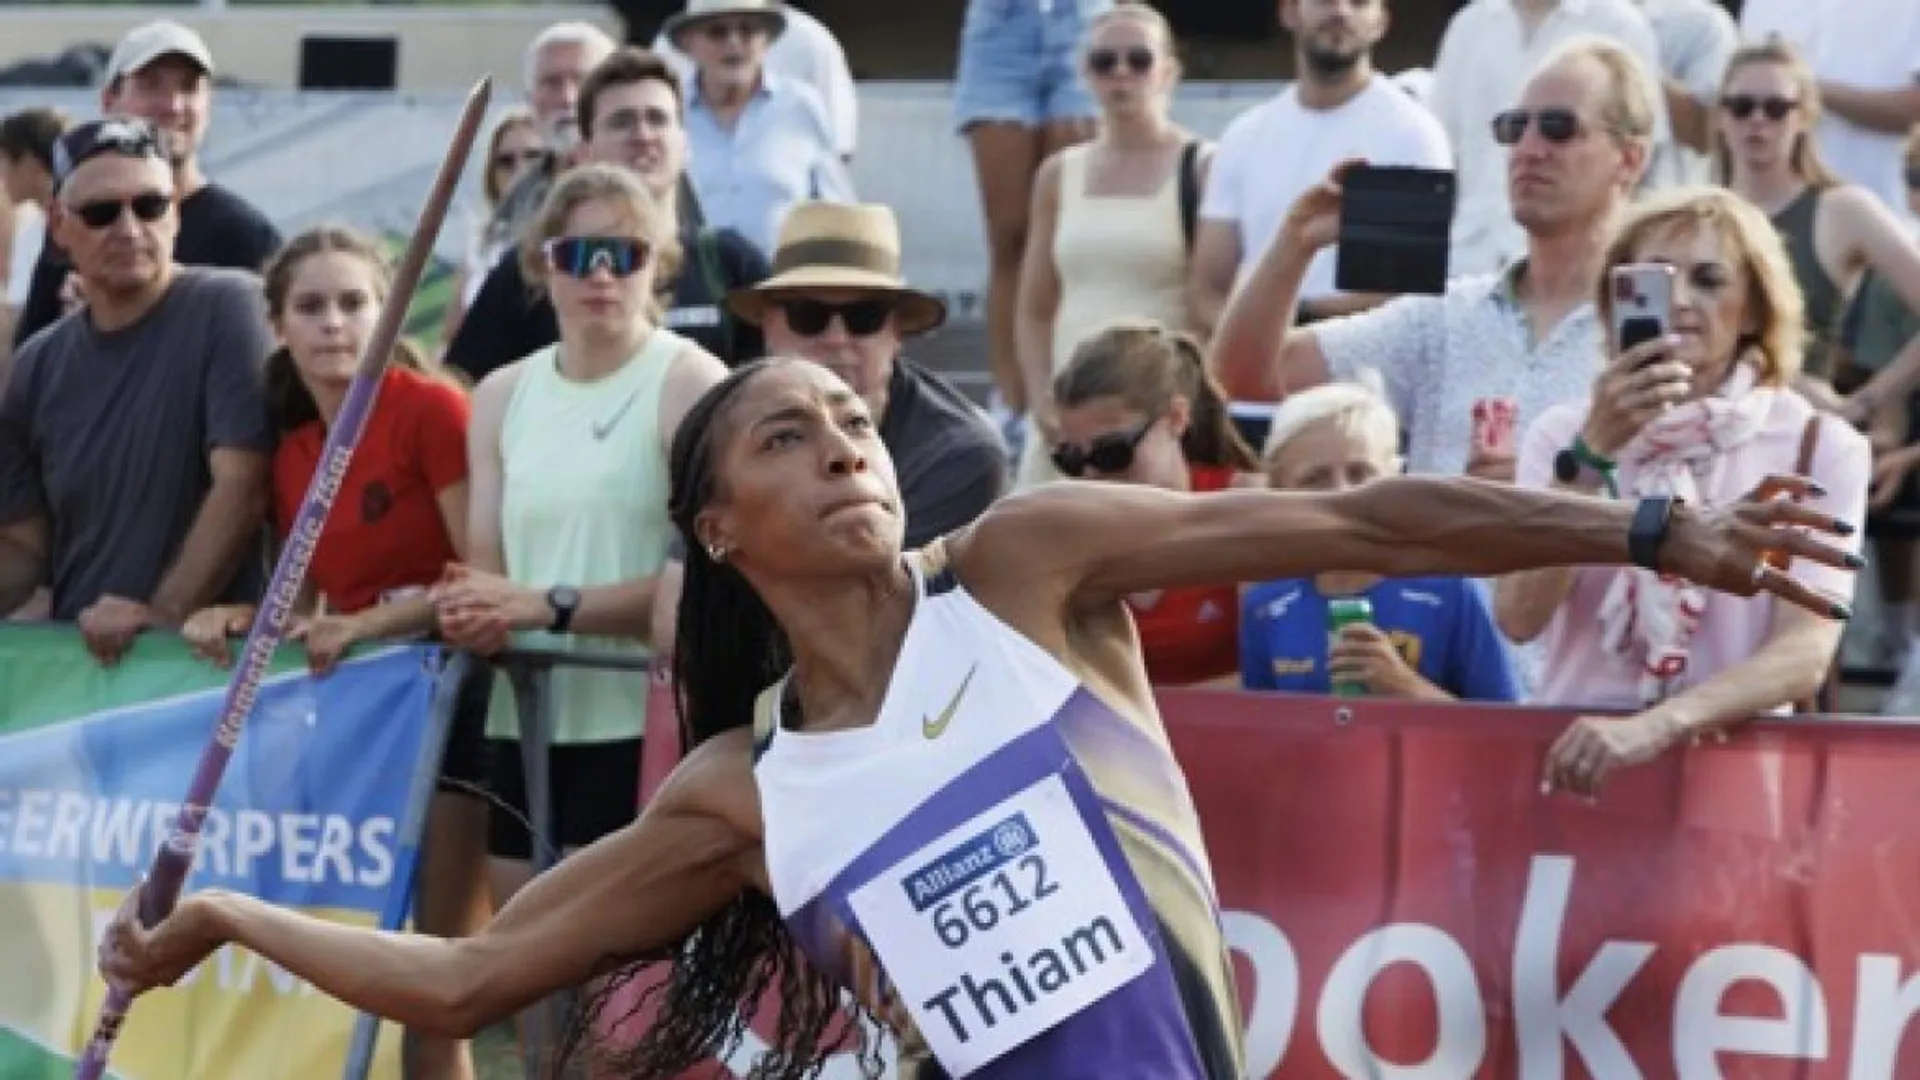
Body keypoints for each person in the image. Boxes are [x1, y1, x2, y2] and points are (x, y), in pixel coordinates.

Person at [101, 353, 1861, 1080]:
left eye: (850, 419)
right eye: (782, 433)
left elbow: (1371, 521)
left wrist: (1644, 525)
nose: (843, 441)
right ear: (715, 527)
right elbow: (470, 979)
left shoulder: (1023, 571)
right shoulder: (748, 786)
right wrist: (225, 925)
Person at [175, 226, 488, 1080]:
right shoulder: (294, 455)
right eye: (310, 307)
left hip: (454, 719)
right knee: (358, 980)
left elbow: (481, 577)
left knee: (443, 980)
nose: (334, 324)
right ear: (278, 325)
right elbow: (312, 611)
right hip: (360, 735)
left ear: (386, 311)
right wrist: (236, 616)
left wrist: (370, 628)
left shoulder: (431, 409)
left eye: (355, 302)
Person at [427, 166, 727, 998]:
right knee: (527, 964)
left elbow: (701, 580)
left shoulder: (689, 380)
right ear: (542, 264)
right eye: (580, 252)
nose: (601, 273)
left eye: (625, 253)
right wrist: (479, 611)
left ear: (656, 265)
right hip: (524, 716)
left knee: (626, 984)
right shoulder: (501, 393)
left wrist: (548, 607)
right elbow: (488, 568)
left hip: (641, 719)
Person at [1499, 187, 1870, 793]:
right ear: (1616, 303)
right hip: (1576, 765)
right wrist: (1594, 454)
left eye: (1708, 279)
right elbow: (1517, 616)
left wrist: (1658, 726)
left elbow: (1804, 653)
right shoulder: (1564, 434)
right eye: (1655, 279)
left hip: (1729, 782)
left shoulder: (1817, 445)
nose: (1680, 301)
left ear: (1752, 309)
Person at [1212, 36, 1653, 480]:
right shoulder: (1446, 316)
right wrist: (1295, 242)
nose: (1529, 149)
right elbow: (1243, 375)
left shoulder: (1657, 325)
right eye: (1513, 128)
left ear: (1630, 160)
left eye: (1558, 127)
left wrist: (1543, 477)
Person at [646, 200, 1008, 654]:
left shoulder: (958, 454)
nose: (836, 337)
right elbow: (675, 618)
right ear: (769, 326)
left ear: (896, 331)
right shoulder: (728, 428)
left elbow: (866, 618)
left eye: (864, 316)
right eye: (808, 314)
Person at [0, 119, 273, 662]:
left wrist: (164, 616)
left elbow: (243, 483)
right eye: (102, 213)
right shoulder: (35, 364)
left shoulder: (231, 305)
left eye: (149, 206)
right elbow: (26, 548)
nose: (128, 228)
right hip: (85, 672)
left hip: (201, 672)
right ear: (58, 227)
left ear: (175, 214)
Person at [446, 47, 769, 380]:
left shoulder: (732, 266)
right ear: (585, 150)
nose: (643, 136)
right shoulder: (533, 269)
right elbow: (463, 388)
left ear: (685, 143)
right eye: (622, 122)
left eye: (657, 119)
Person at [1015, 2, 1213, 489]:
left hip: (1151, 423)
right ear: (1085, 72)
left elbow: (1211, 303)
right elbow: (1035, 308)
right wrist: (1041, 400)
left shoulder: (1204, 166)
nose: (1122, 72)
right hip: (1068, 423)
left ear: (1168, 71)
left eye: (1139, 59)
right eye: (1105, 60)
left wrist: (1179, 413)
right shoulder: (1058, 173)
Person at [1242, 380, 1522, 701]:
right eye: (1315, 479)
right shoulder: (1265, 607)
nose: (1343, 492)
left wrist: (1406, 687)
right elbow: (1264, 738)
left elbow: (1506, 733)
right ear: (1280, 494)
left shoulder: (1450, 590)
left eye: (1361, 473)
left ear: (1395, 480)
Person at [14, 20, 282, 348]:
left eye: (188, 87)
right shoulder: (79, 217)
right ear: (109, 101)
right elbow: (30, 356)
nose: (171, 105)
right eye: (150, 85)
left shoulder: (244, 237)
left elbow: (272, 366)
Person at [1188, 0, 1450, 334]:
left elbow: (1409, 293)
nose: (1340, 11)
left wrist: (1292, 324)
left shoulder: (1412, 133)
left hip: (1363, 374)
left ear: (1380, 21)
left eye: (1359, 2)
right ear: (1289, 12)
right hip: (1253, 371)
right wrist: (1253, 345)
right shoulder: (1243, 136)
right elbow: (1207, 292)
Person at [1715, 40, 1920, 416]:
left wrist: (1863, 401)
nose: (1758, 120)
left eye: (1776, 108)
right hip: (1702, 430)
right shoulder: (1693, 212)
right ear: (1721, 116)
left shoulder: (1842, 209)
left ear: (1805, 116)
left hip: (1798, 435)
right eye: (1742, 107)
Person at [1049, 320, 1257, 686]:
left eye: (1112, 453)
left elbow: (1272, 677)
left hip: (1235, 737)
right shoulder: (1068, 527)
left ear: (1177, 418)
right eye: (1071, 459)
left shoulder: (1245, 508)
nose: (1092, 475)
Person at [955, 0, 1109, 433]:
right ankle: (1011, 403)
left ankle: (1071, 389)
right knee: (1009, 238)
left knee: (1067, 236)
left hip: (1083, 17)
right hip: (1001, 22)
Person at [668, 0, 853, 258]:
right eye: (717, 32)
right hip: (695, 286)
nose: (734, 43)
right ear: (689, 45)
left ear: (766, 41)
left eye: (747, 31)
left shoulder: (800, 105)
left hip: (784, 283)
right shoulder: (666, 111)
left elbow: (837, 210)